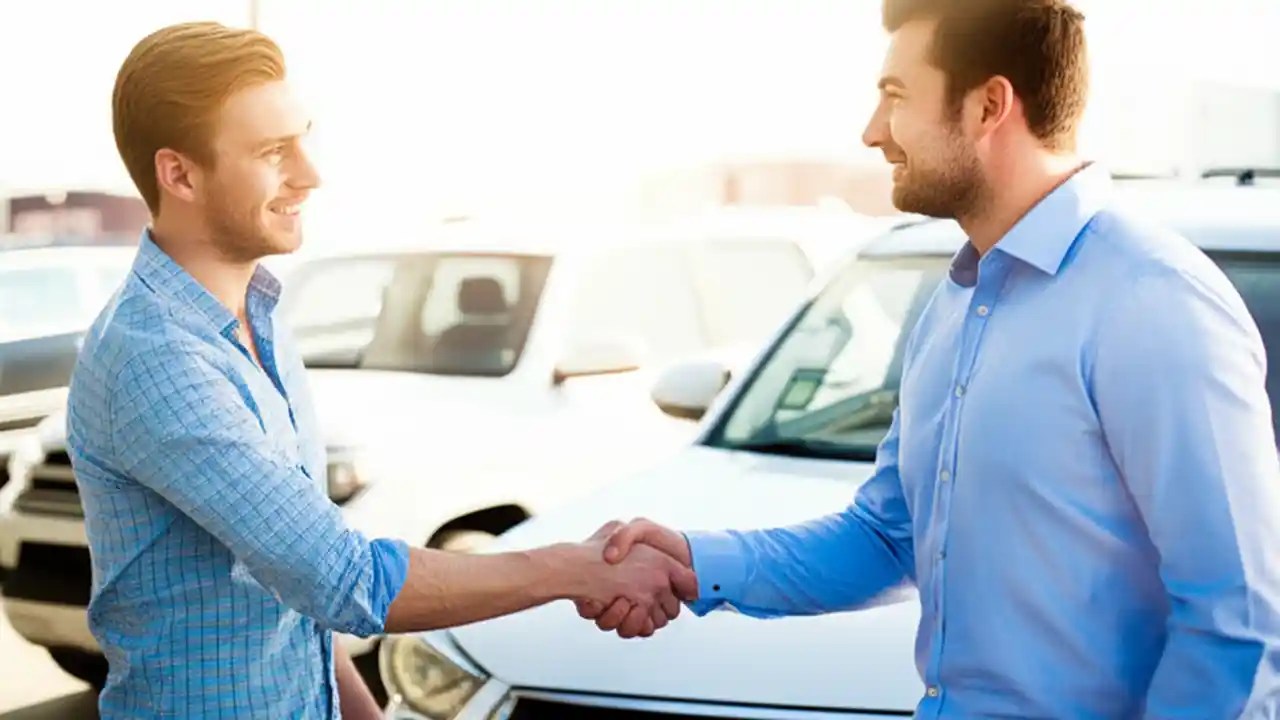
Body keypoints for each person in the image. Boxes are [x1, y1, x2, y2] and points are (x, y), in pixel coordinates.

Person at [583, 0, 1280, 717]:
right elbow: (888, 537)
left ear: (988, 106)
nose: (872, 132)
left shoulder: (1152, 298)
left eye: (894, 98)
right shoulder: (956, 302)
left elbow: (1239, 626)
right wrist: (692, 562)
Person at [67, 22, 694, 719]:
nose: (310, 173)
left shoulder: (260, 316)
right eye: (275, 152)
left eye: (303, 139)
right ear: (179, 173)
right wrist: (575, 568)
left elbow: (295, 584)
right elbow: (344, 579)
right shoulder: (158, 358)